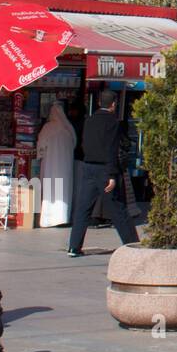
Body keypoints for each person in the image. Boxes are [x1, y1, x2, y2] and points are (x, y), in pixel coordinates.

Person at [67, 90, 139, 257]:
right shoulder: (114, 123)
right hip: (105, 170)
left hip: (88, 167)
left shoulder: (89, 121)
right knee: (117, 209)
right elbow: (112, 149)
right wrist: (113, 175)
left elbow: (84, 144)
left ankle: (74, 246)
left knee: (83, 208)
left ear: (99, 102)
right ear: (113, 104)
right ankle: (132, 243)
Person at [37, 101, 75, 228]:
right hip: (66, 166)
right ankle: (63, 217)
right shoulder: (69, 128)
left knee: (51, 190)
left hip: (50, 165)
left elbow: (41, 146)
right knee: (64, 190)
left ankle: (49, 219)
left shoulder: (48, 128)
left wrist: (40, 155)